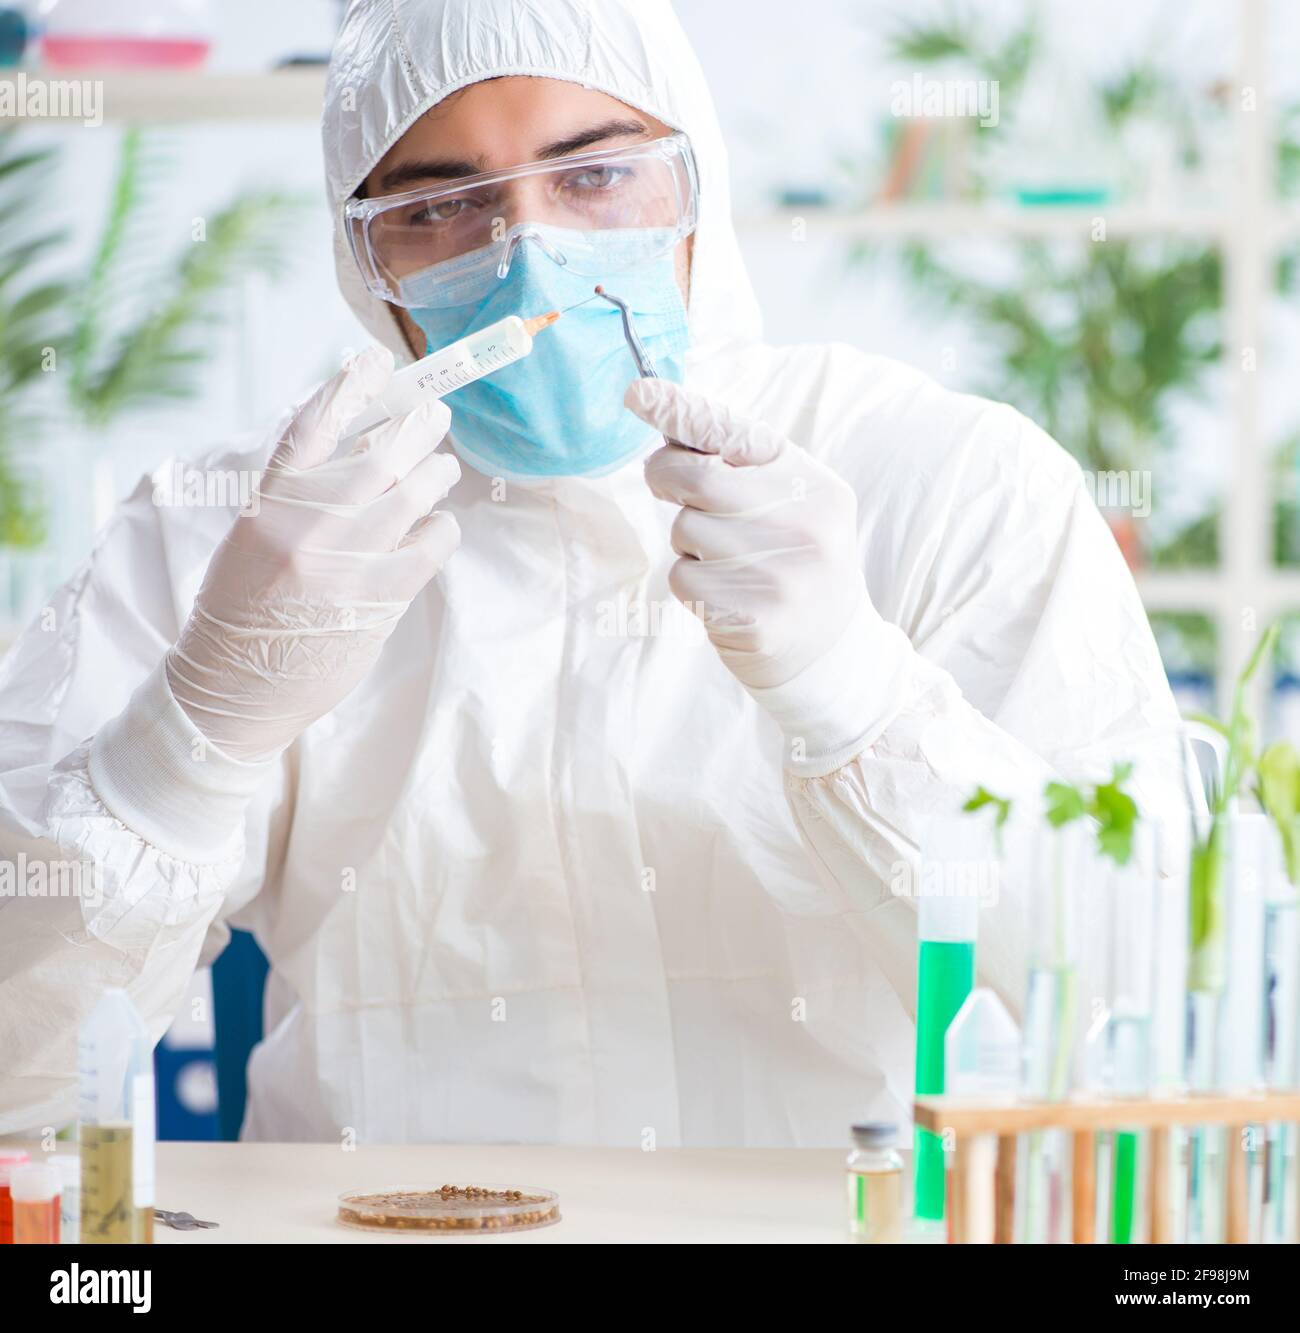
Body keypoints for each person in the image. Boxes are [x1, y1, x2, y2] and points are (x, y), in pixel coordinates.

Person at [0, 0, 1182, 1144]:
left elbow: (1136, 1011)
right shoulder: (236, 539)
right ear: (366, 258)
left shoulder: (949, 483)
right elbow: (15, 1079)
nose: (526, 257)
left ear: (691, 188)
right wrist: (190, 736)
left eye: (596, 174)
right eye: (438, 208)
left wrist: (857, 696)